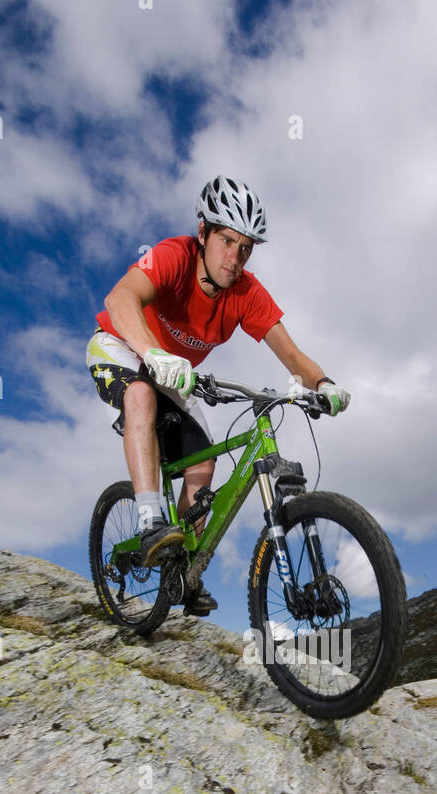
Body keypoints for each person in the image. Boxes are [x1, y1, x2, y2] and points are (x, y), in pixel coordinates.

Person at [87, 174, 350, 615]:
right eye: (228, 241)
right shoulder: (174, 256)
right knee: (140, 397)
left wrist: (323, 383)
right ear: (203, 232)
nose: (235, 257)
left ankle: (182, 569)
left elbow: (292, 355)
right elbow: (120, 299)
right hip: (119, 347)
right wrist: (152, 352)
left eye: (246, 248)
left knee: (203, 463)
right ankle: (152, 522)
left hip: (172, 373)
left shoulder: (246, 292)